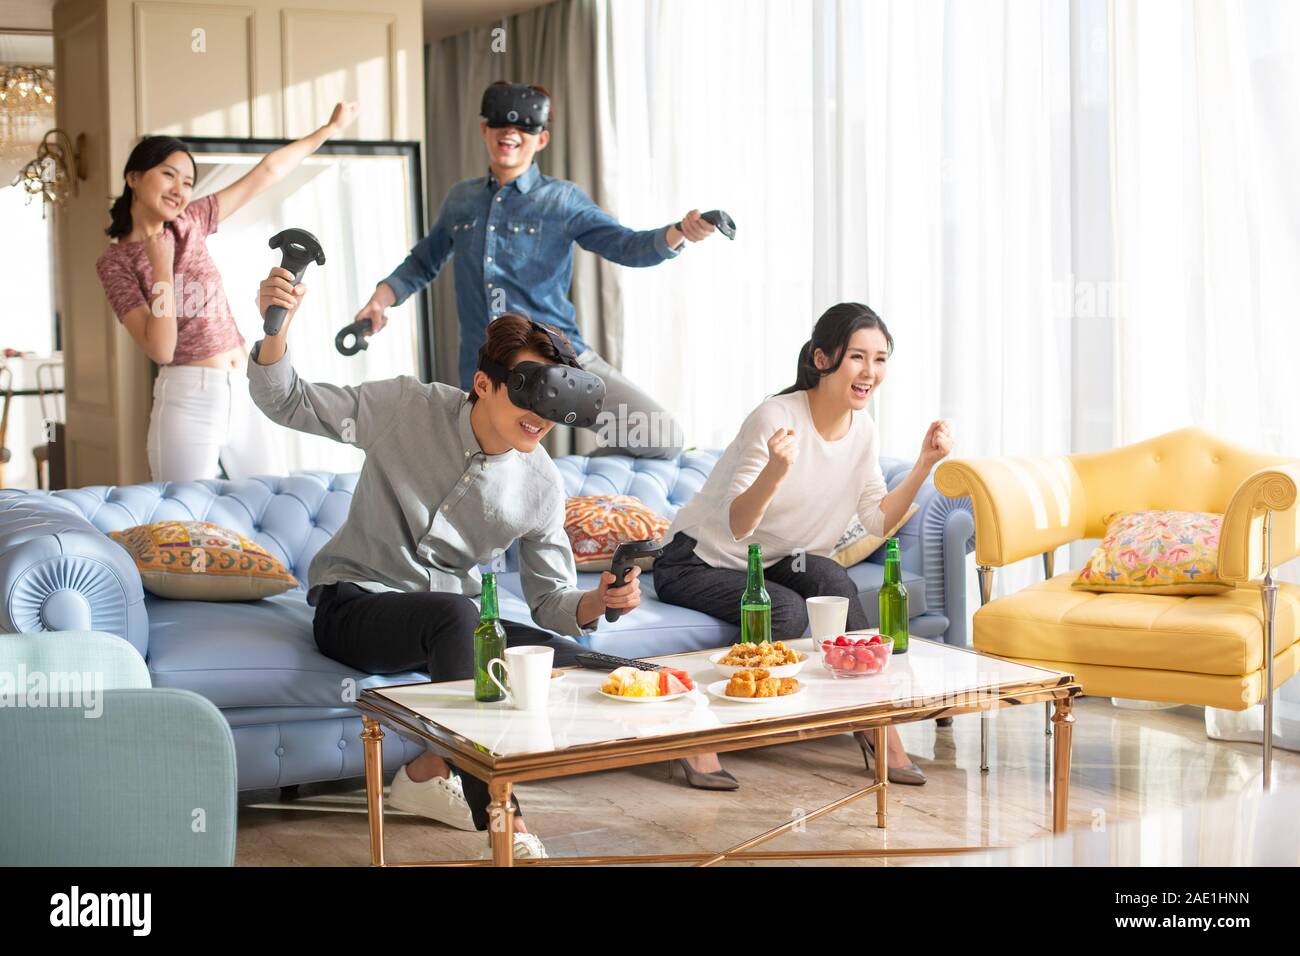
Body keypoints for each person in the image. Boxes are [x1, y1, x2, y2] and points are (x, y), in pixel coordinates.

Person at [250, 268, 643, 860]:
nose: (539, 412)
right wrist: (275, 327)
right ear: (484, 383)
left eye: (550, 395)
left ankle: (426, 773)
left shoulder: (540, 484)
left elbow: (552, 600)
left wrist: (600, 601)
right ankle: (503, 826)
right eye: (526, 390)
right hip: (356, 606)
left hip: (453, 624)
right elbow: (289, 400)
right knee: (461, 617)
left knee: (589, 662)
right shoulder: (407, 407)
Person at [653, 303, 954, 787]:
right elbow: (737, 525)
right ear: (822, 359)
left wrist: (923, 464)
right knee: (787, 611)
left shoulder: (864, 430)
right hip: (696, 559)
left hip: (772, 560)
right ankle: (696, 733)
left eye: (880, 359)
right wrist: (775, 469)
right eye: (857, 357)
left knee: (835, 580)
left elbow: (877, 519)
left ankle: (874, 720)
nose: (870, 372)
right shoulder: (775, 416)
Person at [351, 81, 719, 459]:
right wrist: (380, 301)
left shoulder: (562, 200)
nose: (511, 132)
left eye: (525, 126)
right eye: (500, 123)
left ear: (541, 139)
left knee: (660, 437)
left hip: (558, 361)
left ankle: (566, 489)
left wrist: (680, 233)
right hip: (489, 373)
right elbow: (423, 261)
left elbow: (626, 245)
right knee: (480, 466)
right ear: (484, 129)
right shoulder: (461, 199)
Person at [95, 102, 359, 482]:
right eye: (168, 174)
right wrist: (162, 269)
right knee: (187, 520)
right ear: (134, 177)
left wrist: (329, 128)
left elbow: (267, 172)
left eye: (187, 182)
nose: (179, 189)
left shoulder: (191, 221)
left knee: (273, 502)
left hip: (245, 386)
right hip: (188, 396)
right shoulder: (115, 262)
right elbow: (161, 349)